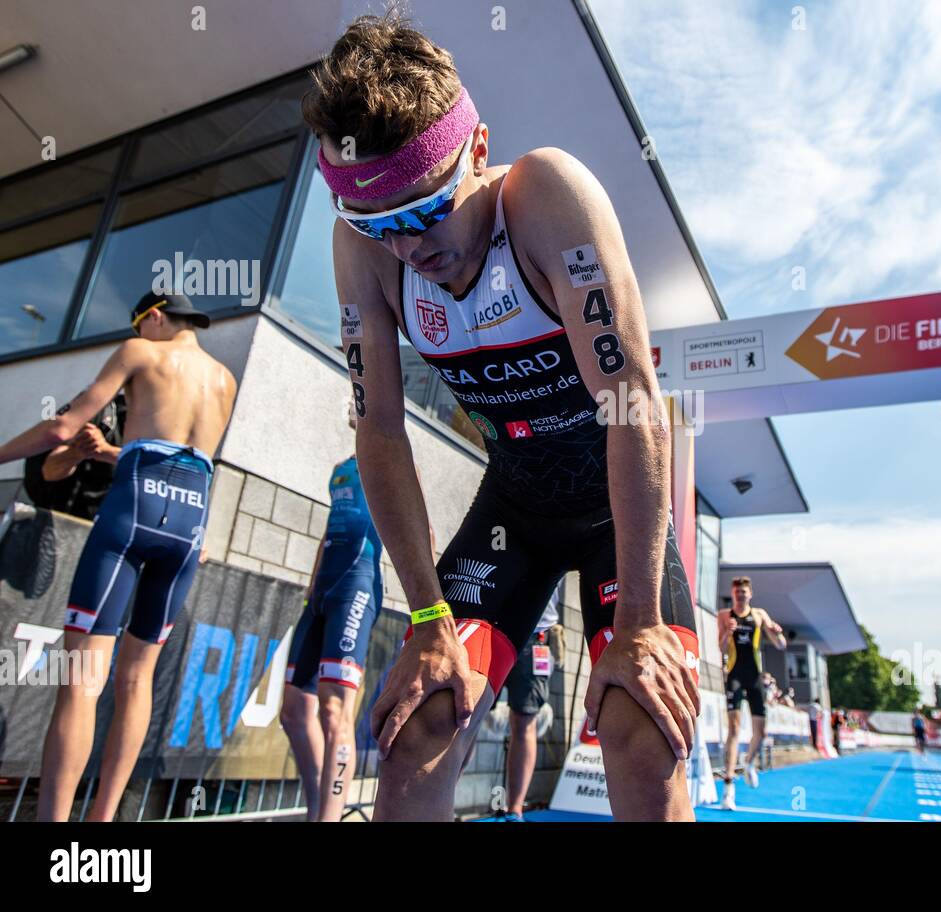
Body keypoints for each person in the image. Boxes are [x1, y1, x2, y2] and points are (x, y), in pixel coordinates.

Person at [304, 12, 700, 822]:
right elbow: (379, 431)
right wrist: (425, 618)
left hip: (613, 509)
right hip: (512, 513)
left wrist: (641, 624)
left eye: (424, 211)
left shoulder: (548, 197)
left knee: (639, 732)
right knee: (419, 731)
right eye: (378, 226)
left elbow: (631, 405)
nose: (408, 247)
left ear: (477, 151)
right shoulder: (364, 253)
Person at [0, 291, 236, 821]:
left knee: (83, 679)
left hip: (132, 511)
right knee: (137, 680)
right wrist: (109, 452)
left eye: (139, 323)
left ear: (153, 317)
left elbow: (60, 428)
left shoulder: (140, 351)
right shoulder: (224, 378)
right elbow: (172, 450)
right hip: (189, 522)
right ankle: (104, 823)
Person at [279, 403, 388, 822]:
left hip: (357, 587)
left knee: (334, 711)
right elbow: (329, 528)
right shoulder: (341, 467)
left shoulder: (393, 458)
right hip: (323, 589)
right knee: (293, 709)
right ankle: (318, 809)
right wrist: (312, 586)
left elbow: (422, 529)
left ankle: (330, 814)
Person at [717, 576, 786, 811]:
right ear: (732, 594)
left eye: (744, 593)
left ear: (750, 594)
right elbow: (722, 648)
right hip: (734, 675)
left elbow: (781, 645)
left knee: (761, 730)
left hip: (755, 676)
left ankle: (749, 763)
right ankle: (728, 788)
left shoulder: (759, 615)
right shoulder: (725, 616)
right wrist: (728, 632)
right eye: (737, 593)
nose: (740, 596)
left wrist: (777, 632)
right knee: (734, 729)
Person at [493, 586, 561, 822]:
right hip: (489, 624)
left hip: (535, 633)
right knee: (465, 717)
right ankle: (442, 800)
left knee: (525, 720)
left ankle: (514, 811)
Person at [22, 392, 127, 520]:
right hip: (70, 525)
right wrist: (79, 451)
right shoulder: (102, 411)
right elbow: (49, 471)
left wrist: (106, 451)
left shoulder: (154, 429)